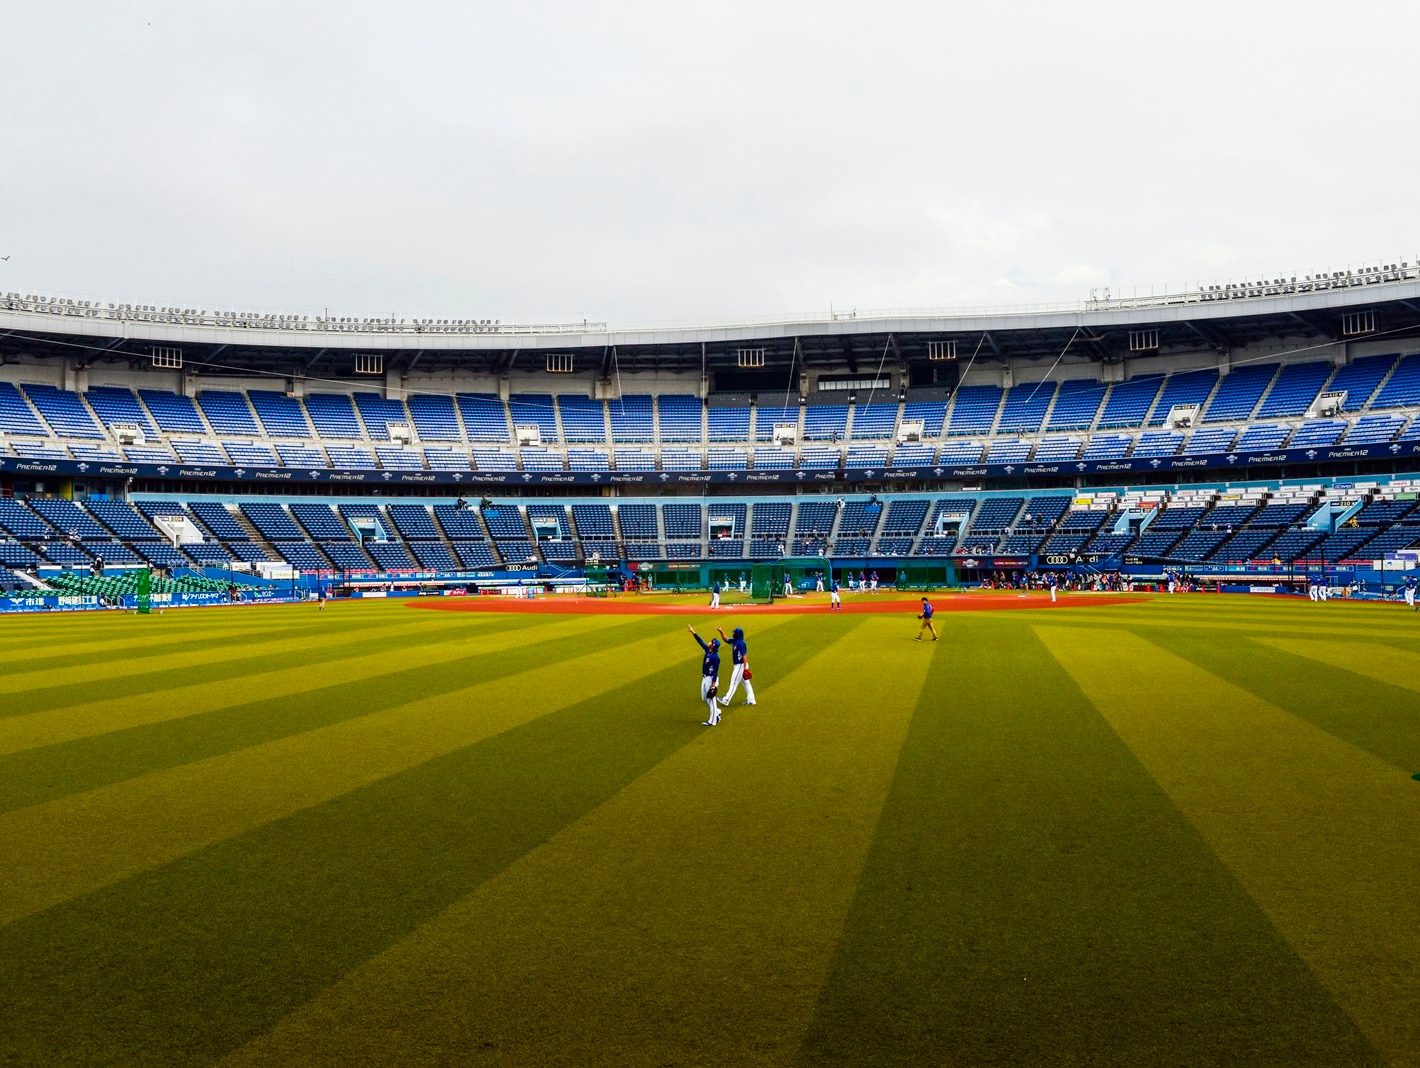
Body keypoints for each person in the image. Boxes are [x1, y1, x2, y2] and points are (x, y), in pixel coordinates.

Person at [687, 625, 722, 725]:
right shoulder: (708, 651)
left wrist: (713, 685)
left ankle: (713, 720)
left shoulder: (716, 657)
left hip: (711, 679)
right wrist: (693, 632)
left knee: (711, 699)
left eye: (711, 642)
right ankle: (717, 713)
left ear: (713, 646)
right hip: (705, 677)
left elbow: (715, 671)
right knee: (705, 698)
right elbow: (700, 641)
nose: (709, 642)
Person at [716, 625, 757, 707]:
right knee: (746, 683)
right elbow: (726, 639)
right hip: (740, 666)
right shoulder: (736, 641)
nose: (733, 633)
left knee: (734, 683)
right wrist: (721, 631)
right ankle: (751, 700)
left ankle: (726, 700)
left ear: (737, 634)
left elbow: (744, 656)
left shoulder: (741, 643)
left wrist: (745, 669)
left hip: (740, 665)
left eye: (734, 632)